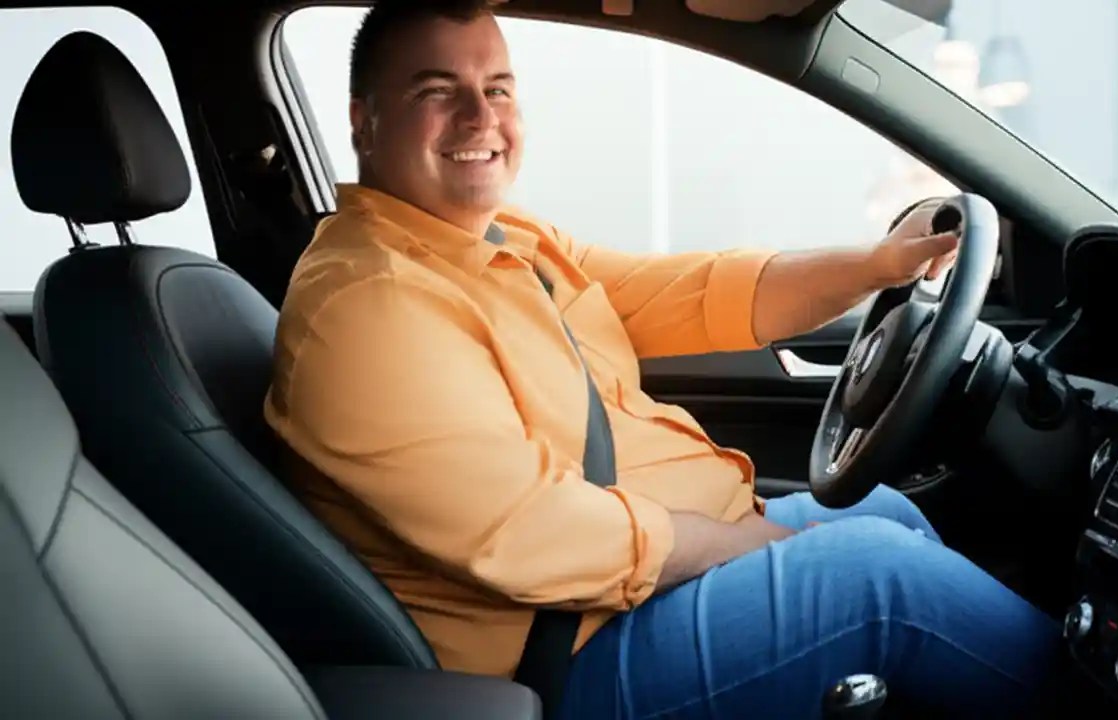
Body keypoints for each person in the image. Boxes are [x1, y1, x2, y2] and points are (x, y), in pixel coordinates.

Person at [263, 1, 1064, 717]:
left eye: (499, 88)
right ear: (364, 119)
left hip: (625, 591)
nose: (482, 116)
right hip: (568, 654)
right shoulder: (368, 305)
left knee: (885, 517)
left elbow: (676, 291)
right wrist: (742, 545)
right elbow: (530, 534)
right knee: (883, 578)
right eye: (437, 91)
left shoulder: (500, 241)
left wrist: (873, 267)